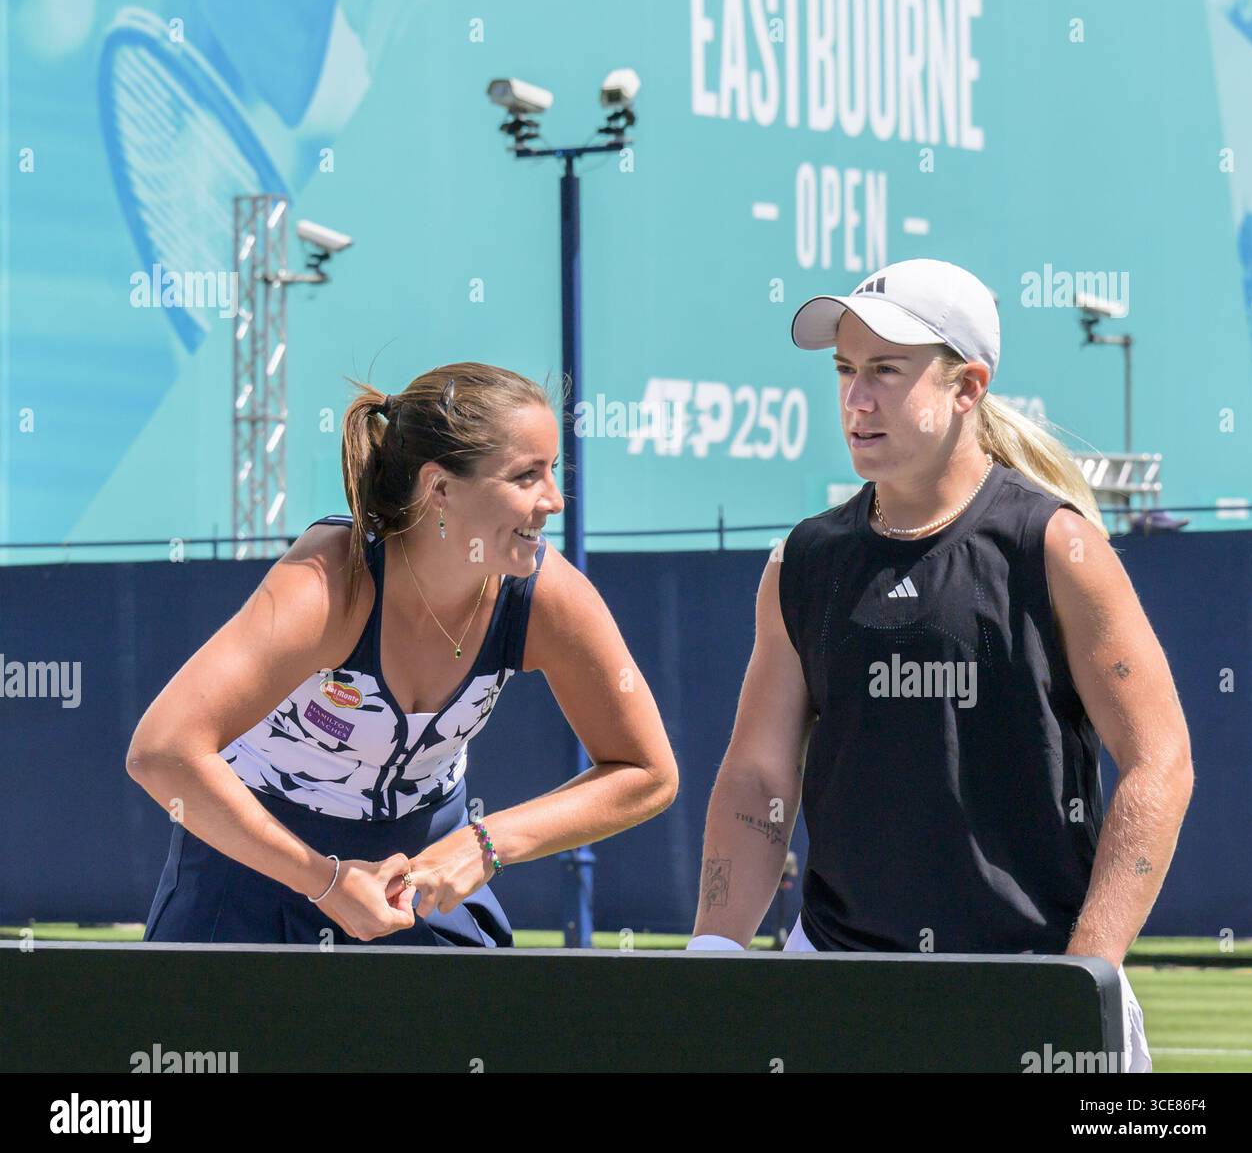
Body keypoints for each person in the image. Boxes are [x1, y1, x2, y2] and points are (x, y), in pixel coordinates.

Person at [687, 259, 1194, 1073]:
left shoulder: (1056, 547)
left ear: (968, 387)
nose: (857, 399)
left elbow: (1159, 761)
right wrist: (712, 951)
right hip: (836, 987)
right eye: (846, 371)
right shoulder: (803, 561)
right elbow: (757, 776)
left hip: (1030, 986)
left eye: (886, 370)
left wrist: (1086, 967)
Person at [129, 362, 677, 946]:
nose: (554, 500)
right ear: (439, 487)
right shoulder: (330, 581)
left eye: (553, 471)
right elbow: (162, 752)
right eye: (525, 476)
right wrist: (326, 880)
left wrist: (485, 844)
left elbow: (647, 773)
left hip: (415, 887)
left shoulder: (547, 596)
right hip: (249, 874)